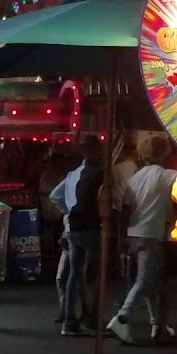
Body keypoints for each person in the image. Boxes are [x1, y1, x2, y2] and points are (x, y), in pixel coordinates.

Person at [109, 135, 177, 346]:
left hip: (133, 234)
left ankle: (157, 326)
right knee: (146, 280)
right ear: (163, 152)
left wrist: (122, 236)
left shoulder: (135, 178)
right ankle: (121, 318)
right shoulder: (166, 176)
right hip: (152, 234)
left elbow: (125, 208)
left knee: (152, 282)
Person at [58, 138, 104, 337]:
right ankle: (91, 318)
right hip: (90, 226)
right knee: (94, 274)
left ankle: (69, 321)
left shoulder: (72, 174)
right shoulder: (99, 173)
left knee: (74, 274)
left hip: (72, 226)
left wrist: (66, 212)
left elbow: (54, 195)